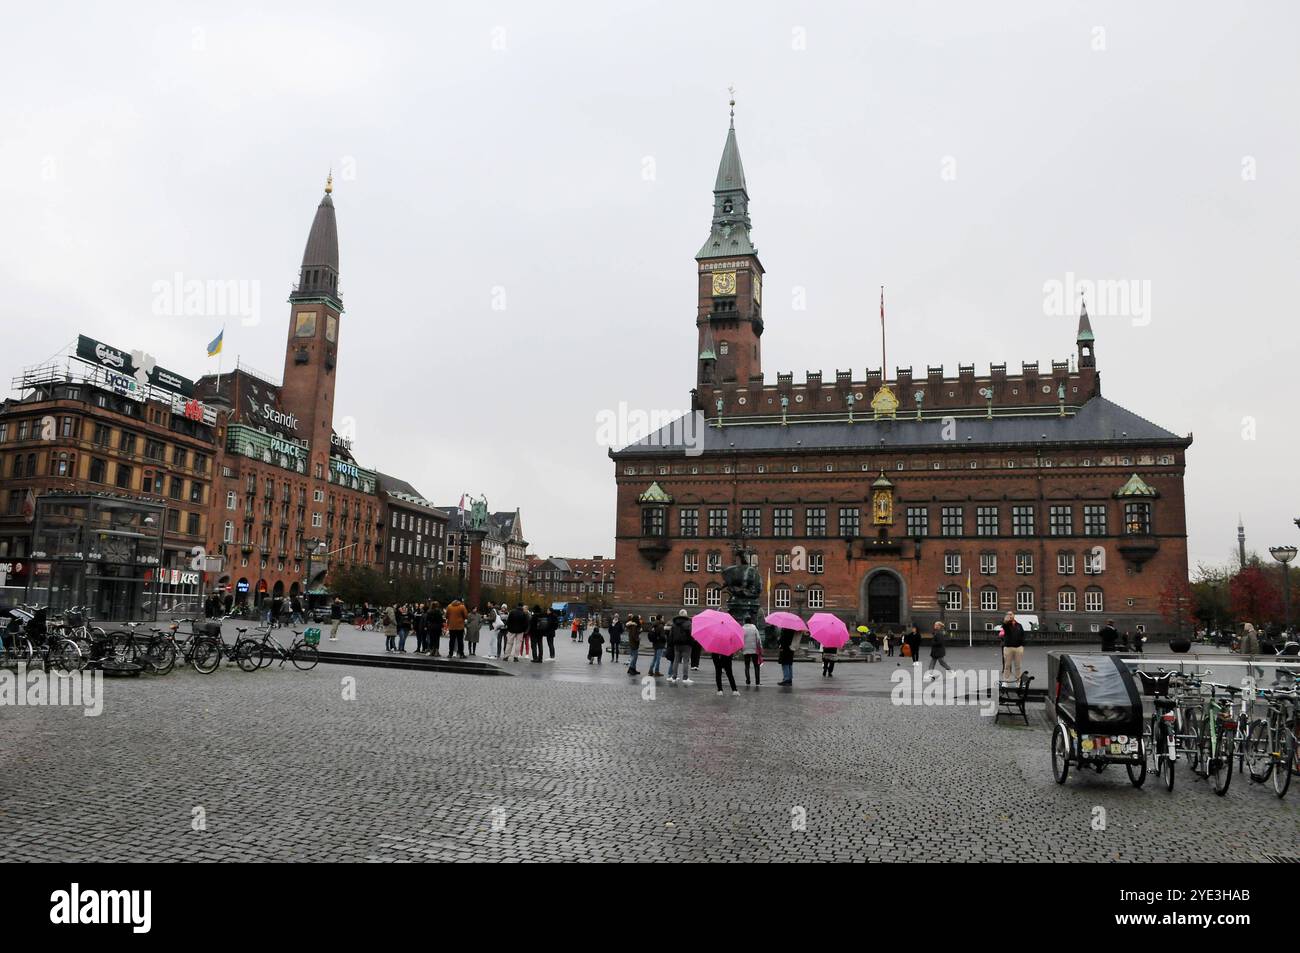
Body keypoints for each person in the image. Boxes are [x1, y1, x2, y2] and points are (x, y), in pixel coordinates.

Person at [999, 610, 1026, 683]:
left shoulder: (1019, 625)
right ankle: (1006, 681)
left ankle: (1018, 682)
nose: (1010, 615)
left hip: (1018, 648)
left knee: (1018, 666)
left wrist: (1022, 645)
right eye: (1008, 614)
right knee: (1007, 666)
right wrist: (1005, 621)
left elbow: (1023, 635)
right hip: (1008, 648)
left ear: (1014, 615)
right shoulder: (1006, 625)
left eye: (1011, 614)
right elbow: (1004, 627)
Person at [669, 611, 695, 684]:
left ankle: (674, 676)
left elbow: (671, 635)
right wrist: (692, 642)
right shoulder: (688, 623)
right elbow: (691, 634)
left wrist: (671, 643)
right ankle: (685, 677)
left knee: (676, 660)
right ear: (686, 615)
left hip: (676, 644)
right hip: (686, 645)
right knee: (685, 661)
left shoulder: (674, 624)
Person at [741, 615, 762, 686]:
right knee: (756, 666)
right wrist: (760, 648)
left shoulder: (742, 628)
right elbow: (758, 639)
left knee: (747, 666)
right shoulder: (754, 628)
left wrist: (741, 648)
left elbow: (740, 639)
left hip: (746, 650)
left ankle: (748, 680)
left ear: (745, 621)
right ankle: (757, 682)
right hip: (754, 649)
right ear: (751, 621)